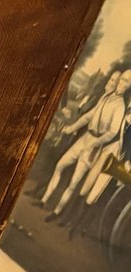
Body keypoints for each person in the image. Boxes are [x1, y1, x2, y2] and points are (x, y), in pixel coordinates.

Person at [43, 68, 131, 215]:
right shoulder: (105, 98)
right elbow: (87, 117)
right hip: (84, 139)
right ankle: (44, 200)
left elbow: (111, 133)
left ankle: (56, 212)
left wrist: (92, 144)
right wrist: (71, 128)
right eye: (121, 79)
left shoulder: (120, 107)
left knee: (74, 182)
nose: (120, 83)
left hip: (94, 145)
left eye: (126, 82)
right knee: (60, 165)